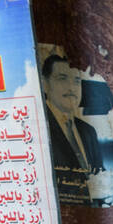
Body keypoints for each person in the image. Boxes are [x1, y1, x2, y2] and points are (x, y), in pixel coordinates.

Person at [41, 54, 103, 206]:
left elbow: (101, 177)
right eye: (62, 78)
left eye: (76, 81)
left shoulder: (88, 131)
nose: (71, 88)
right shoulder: (39, 128)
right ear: (45, 84)